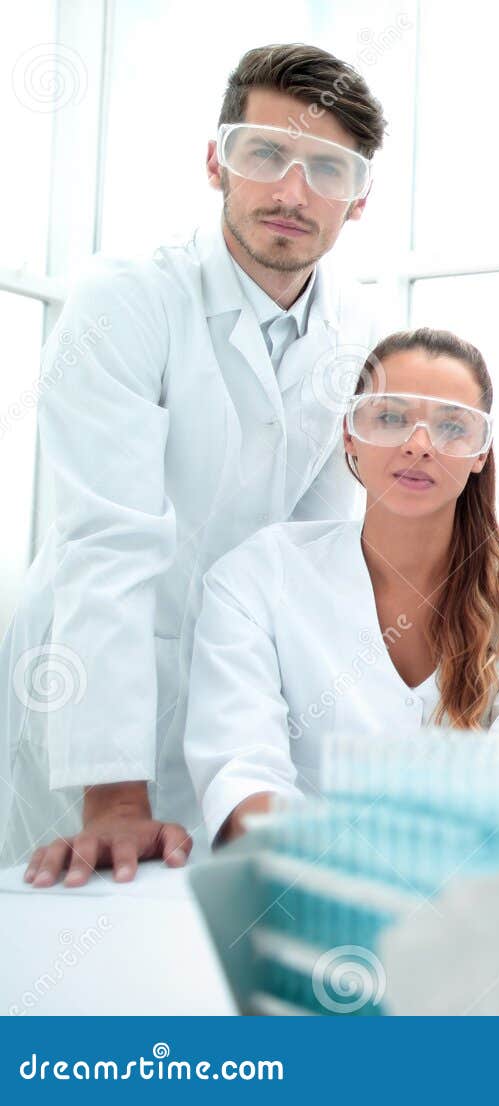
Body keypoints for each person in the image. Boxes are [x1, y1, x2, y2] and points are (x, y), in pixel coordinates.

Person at [11, 44, 389, 883]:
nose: (294, 192)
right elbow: (107, 544)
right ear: (216, 161)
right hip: (90, 692)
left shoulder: (358, 335)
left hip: (232, 691)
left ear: (358, 202)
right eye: (265, 154)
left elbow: (316, 561)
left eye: (329, 169)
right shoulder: (126, 302)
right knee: (77, 924)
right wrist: (113, 800)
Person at [183, 328, 499, 847]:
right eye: (390, 418)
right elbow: (243, 773)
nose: (419, 445)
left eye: (452, 426)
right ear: (350, 433)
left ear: (481, 452)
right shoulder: (258, 577)